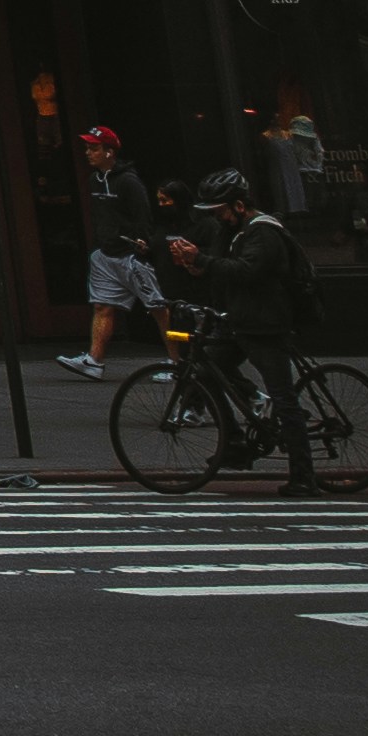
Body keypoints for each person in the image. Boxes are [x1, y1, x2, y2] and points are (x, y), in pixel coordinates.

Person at [163, 172, 323, 488]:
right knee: (204, 372)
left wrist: (202, 260)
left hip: (267, 324)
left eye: (219, 210)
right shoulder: (229, 230)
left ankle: (304, 477)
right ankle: (234, 443)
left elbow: (248, 271)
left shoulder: (263, 232)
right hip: (237, 320)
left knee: (283, 397)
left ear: (239, 205)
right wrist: (194, 265)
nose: (215, 217)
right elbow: (221, 268)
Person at [63, 124, 160, 382]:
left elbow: (143, 215)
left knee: (159, 308)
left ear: (109, 151)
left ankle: (178, 362)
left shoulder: (128, 181)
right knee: (102, 306)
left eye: (94, 148)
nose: (88, 152)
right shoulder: (95, 179)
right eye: (87, 148)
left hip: (131, 254)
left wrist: (143, 242)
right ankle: (94, 360)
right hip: (107, 253)